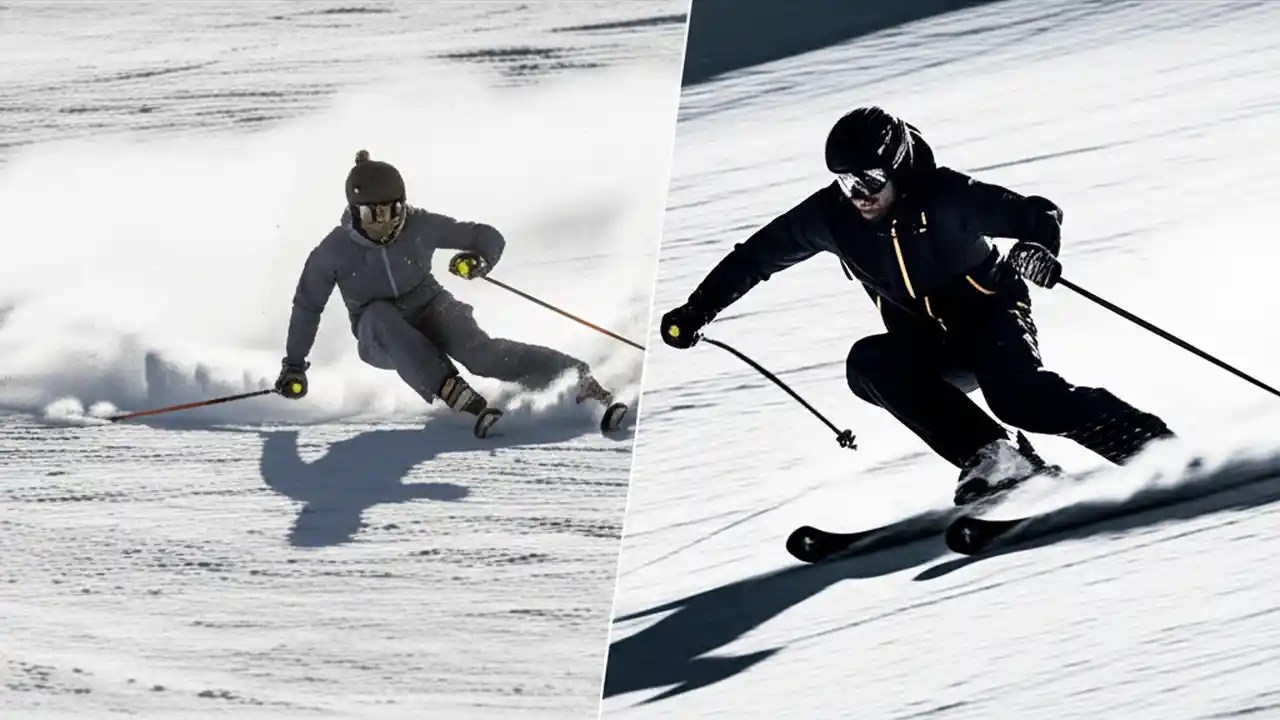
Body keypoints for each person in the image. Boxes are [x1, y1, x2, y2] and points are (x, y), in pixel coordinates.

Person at [659, 107, 1175, 503]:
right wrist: (697, 310)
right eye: (845, 181)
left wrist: (1039, 249)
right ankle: (999, 459)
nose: (857, 194)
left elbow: (1036, 212)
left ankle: (1154, 450)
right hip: (924, 342)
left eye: (869, 180)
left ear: (898, 169)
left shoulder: (946, 196)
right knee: (868, 364)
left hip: (990, 317)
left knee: (1020, 400)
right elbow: (756, 257)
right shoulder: (833, 217)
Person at [274, 150, 623, 438]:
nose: (385, 224)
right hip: (378, 333)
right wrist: (293, 365)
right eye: (372, 214)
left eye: (393, 211)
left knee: (482, 355)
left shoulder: (419, 225)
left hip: (430, 305)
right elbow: (308, 306)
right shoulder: (332, 252)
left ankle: (578, 380)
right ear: (354, 211)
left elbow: (487, 236)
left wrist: (480, 259)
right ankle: (456, 394)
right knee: (382, 316)